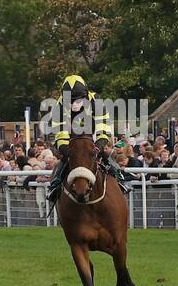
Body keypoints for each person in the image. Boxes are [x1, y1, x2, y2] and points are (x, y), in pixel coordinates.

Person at [45, 74, 131, 203]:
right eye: (71, 100)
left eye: (78, 99)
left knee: (106, 156)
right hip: (71, 140)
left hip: (92, 137)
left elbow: (103, 130)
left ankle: (120, 180)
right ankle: (54, 186)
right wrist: (69, 152)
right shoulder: (59, 106)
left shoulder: (96, 101)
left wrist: (97, 147)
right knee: (63, 162)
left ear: (85, 95)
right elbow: (60, 135)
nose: (74, 103)